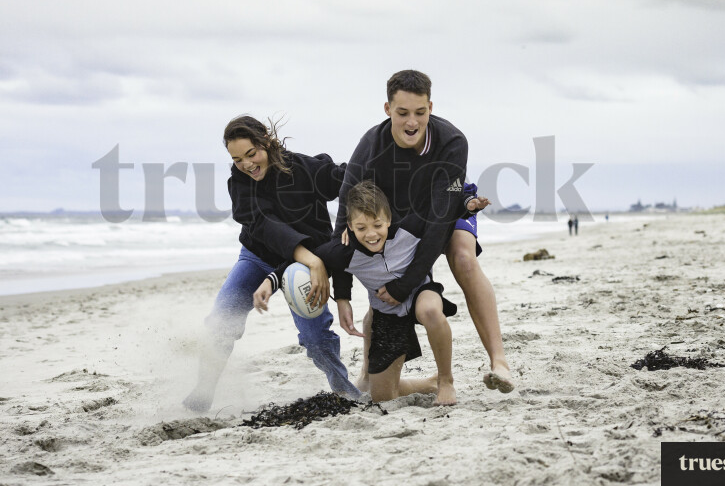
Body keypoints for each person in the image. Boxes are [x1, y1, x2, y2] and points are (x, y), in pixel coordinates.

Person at [335, 70, 514, 393]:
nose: (412, 122)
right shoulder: (371, 146)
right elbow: (346, 216)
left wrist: (408, 283)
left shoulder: (452, 142)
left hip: (448, 204)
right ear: (388, 109)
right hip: (400, 218)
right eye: (402, 113)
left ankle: (498, 360)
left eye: (420, 113)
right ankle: (367, 370)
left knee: (462, 255)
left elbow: (440, 220)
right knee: (382, 289)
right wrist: (342, 292)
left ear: (431, 107)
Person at [182, 115, 360, 412]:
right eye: (238, 159)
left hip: (301, 267)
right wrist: (312, 259)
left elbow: (349, 181)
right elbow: (264, 225)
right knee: (221, 320)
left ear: (266, 141)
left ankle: (344, 390)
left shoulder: (305, 168)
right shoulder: (239, 185)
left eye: (251, 154)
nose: (247, 165)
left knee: (315, 338)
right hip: (258, 258)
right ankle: (203, 391)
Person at [257, 181, 482, 405]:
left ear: (389, 219)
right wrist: (270, 281)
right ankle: (428, 384)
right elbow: (305, 261)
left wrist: (468, 204)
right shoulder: (343, 251)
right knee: (382, 396)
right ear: (350, 227)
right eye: (361, 228)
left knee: (431, 310)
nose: (371, 234)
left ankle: (445, 381)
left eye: (377, 225)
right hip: (387, 312)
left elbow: (443, 211)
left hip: (420, 291)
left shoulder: (410, 227)